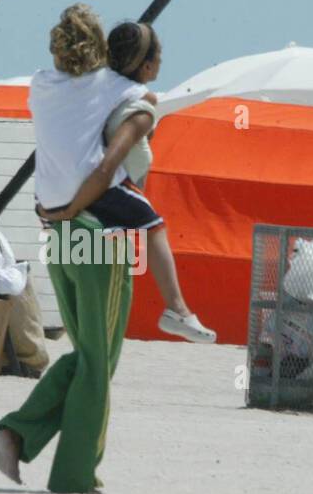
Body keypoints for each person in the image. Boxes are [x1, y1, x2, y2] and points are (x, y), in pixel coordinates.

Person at [0, 5, 152, 494]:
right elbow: (138, 109)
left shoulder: (41, 86)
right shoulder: (117, 89)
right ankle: (73, 473)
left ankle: (18, 433)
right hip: (98, 233)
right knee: (100, 364)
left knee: (87, 355)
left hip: (56, 235)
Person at [43, 20, 215, 343]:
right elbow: (108, 165)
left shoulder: (102, 90)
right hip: (102, 190)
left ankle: (176, 310)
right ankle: (176, 308)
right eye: (159, 58)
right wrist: (72, 207)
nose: (163, 63)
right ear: (147, 65)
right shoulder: (135, 107)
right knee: (154, 225)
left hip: (78, 196)